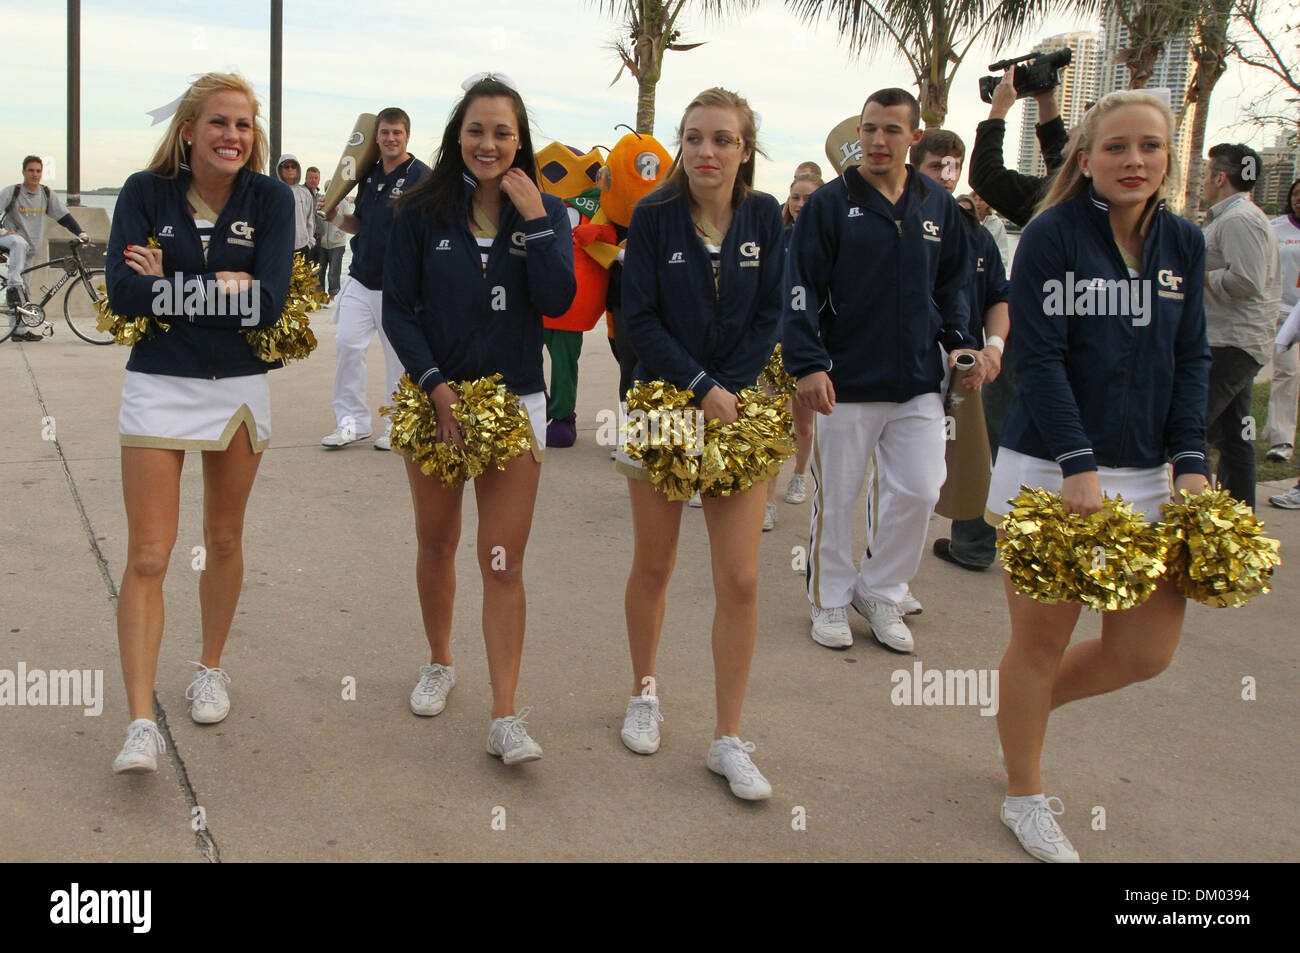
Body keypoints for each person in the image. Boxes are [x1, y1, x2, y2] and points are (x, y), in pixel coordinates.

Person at [988, 91, 1211, 862]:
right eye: (1116, 147)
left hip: (1149, 472)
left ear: (1168, 158)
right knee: (1040, 643)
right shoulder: (1052, 234)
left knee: (1144, 651)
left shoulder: (1184, 242)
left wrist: (1192, 462)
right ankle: (1024, 792)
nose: (1134, 160)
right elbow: (1040, 356)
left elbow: (1192, 358)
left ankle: (1019, 713)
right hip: (1051, 467)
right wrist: (1077, 463)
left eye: (1150, 146)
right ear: (1085, 159)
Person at [382, 73, 575, 765]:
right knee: (436, 544)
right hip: (436, 399)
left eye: (502, 132)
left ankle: (504, 714)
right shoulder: (417, 210)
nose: (487, 144)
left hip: (516, 402)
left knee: (503, 562)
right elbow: (397, 309)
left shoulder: (547, 210)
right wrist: (435, 388)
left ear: (520, 141)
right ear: (456, 135)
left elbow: (558, 302)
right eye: (476, 130)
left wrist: (539, 222)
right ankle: (440, 660)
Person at [104, 72, 294, 774]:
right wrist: (220, 286)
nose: (232, 136)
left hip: (237, 384)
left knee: (224, 537)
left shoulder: (271, 198)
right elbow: (124, 294)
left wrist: (169, 285)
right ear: (188, 130)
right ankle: (139, 722)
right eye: (218, 122)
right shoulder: (143, 191)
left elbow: (268, 303)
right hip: (158, 381)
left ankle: (210, 669)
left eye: (243, 124)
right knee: (149, 555)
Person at [615, 87, 782, 800]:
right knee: (655, 564)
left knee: (740, 580)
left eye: (722, 139)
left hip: (737, 408)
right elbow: (638, 319)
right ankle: (644, 693)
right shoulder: (653, 217)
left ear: (745, 149)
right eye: (693, 138)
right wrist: (698, 386)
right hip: (663, 406)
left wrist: (729, 391)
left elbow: (772, 310)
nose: (706, 151)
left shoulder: (765, 215)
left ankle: (728, 737)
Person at [783, 88, 981, 654]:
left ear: (914, 137)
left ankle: (880, 590)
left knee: (920, 490)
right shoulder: (829, 204)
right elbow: (799, 287)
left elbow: (955, 285)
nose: (877, 140)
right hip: (842, 382)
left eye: (891, 130)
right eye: (869, 128)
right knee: (838, 499)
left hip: (918, 382)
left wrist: (958, 343)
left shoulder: (937, 205)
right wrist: (808, 363)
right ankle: (828, 597)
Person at [908, 130, 1011, 573]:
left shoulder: (978, 235)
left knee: (972, 458)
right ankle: (887, 577)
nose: (946, 176)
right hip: (908, 372)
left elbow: (999, 297)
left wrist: (994, 348)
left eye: (953, 167)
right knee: (909, 481)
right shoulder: (896, 226)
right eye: (936, 166)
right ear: (915, 167)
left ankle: (973, 545)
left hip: (965, 371)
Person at [320, 107, 430, 451]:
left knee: (399, 358)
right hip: (361, 278)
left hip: (399, 285)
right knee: (348, 346)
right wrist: (335, 217)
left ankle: (398, 424)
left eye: (397, 132)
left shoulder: (422, 176)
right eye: (385, 132)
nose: (391, 138)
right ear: (376, 136)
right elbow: (360, 225)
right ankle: (351, 423)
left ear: (407, 136)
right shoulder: (367, 174)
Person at [1201, 142, 1281, 510]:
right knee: (1235, 437)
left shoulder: (1239, 220)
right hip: (1235, 341)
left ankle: (1200, 521)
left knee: (1190, 430)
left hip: (1230, 345)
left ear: (1220, 177)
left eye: (1207, 173)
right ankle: (1237, 523)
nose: (1204, 181)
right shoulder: (1235, 217)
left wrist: (1199, 275)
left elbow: (1247, 281)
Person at [764, 170, 823, 526]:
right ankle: (767, 501)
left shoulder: (828, 240)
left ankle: (800, 474)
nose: (800, 204)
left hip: (808, 349)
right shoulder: (778, 237)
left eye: (808, 198)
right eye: (795, 198)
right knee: (773, 423)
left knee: (803, 426)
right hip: (773, 344)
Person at [1, 155, 90, 342]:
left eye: (38, 171)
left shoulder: (46, 194)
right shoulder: (13, 192)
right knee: (18, 252)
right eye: (31, 170)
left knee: (25, 291)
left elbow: (63, 217)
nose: (35, 174)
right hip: (12, 243)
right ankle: (13, 283)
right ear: (23, 172)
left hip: (30, 251)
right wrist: (3, 231)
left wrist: (80, 232)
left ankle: (19, 330)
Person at [969, 70, 1068, 228]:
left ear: (1085, 158)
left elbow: (986, 176)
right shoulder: (1086, 195)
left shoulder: (1066, 198)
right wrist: (1046, 99)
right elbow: (1062, 165)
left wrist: (998, 110)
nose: (1069, 142)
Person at [1264, 178, 1300, 463]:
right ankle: (1281, 440)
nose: (1299, 199)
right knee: (1287, 373)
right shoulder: (1275, 229)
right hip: (1284, 312)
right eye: (1296, 194)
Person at [275, 154, 316, 258]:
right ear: (280, 169)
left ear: (298, 170)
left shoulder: (305, 193)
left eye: (293, 166)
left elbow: (310, 220)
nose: (290, 169)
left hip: (302, 248)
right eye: (286, 167)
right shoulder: (273, 192)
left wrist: (310, 243)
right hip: (279, 248)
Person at [319, 195, 350, 299]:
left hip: (337, 245)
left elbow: (348, 221)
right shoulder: (323, 202)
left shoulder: (344, 203)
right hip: (323, 243)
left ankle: (333, 297)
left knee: (333, 273)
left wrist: (338, 234)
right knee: (320, 271)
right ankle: (320, 296)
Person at [971, 190, 1010, 274]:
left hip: (989, 271)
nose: (977, 203)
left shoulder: (996, 223)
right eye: (975, 199)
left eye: (981, 200)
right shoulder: (967, 220)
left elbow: (1002, 252)